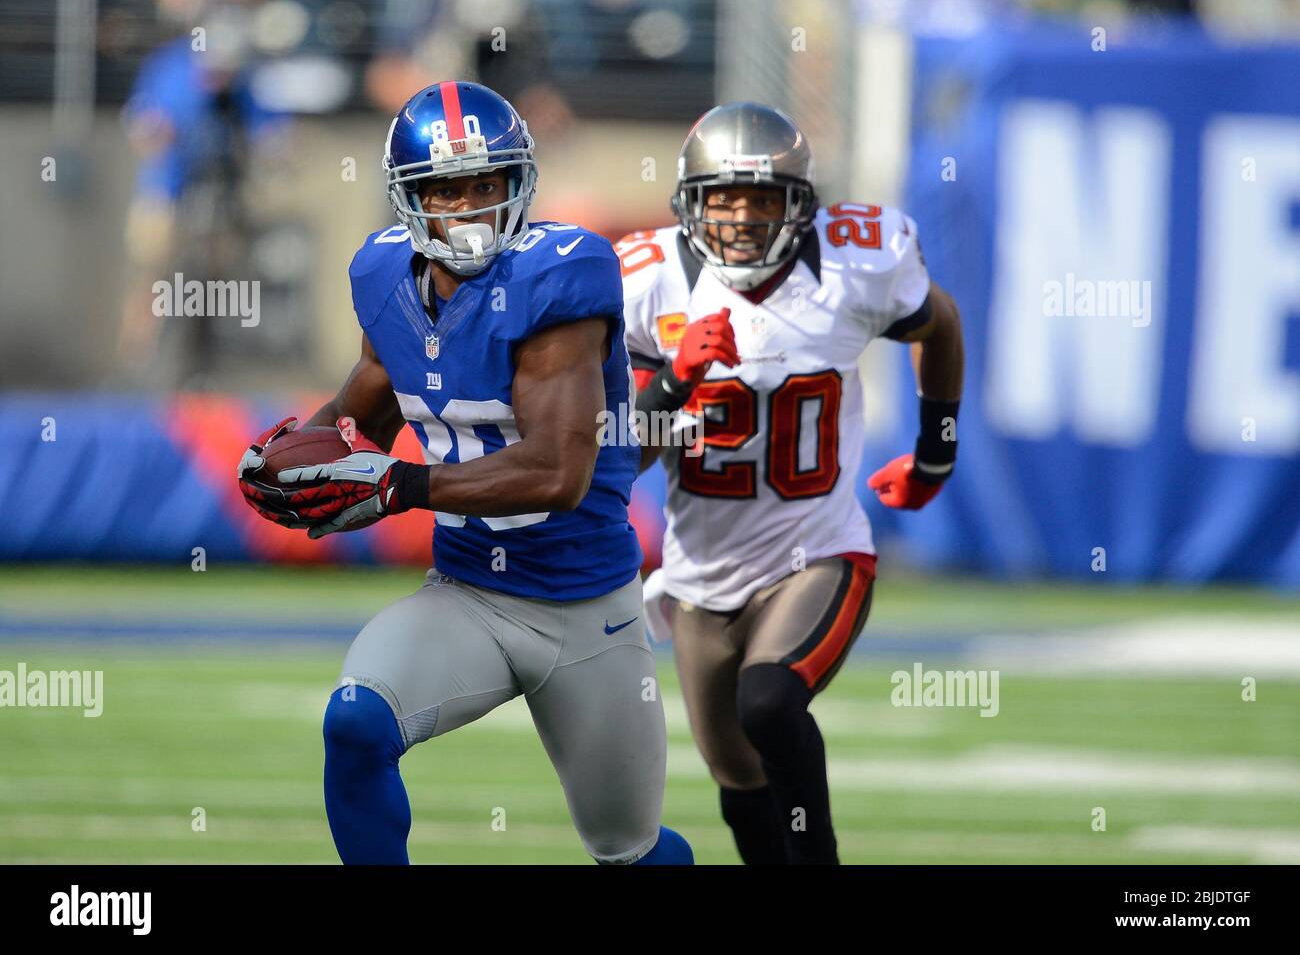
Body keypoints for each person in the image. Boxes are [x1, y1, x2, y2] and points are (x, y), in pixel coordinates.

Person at [237, 81, 691, 865]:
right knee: (355, 724)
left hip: (586, 610)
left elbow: (557, 472)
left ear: (519, 184)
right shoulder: (383, 278)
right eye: (449, 188)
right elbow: (360, 417)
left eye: (489, 184)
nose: (473, 206)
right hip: (470, 595)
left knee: (629, 849)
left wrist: (397, 487)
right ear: (410, 198)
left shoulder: (562, 273)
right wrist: (285, 462)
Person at [621, 102, 964, 864]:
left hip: (819, 551)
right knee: (736, 772)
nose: (742, 217)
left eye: (764, 198)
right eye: (724, 197)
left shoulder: (852, 269)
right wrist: (670, 384)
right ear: (690, 201)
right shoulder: (646, 289)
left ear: (799, 206)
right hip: (698, 576)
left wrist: (935, 449)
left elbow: (939, 323)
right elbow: (616, 458)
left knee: (769, 702)